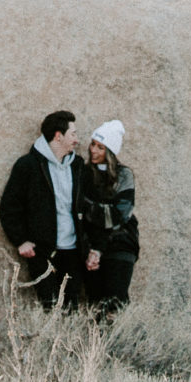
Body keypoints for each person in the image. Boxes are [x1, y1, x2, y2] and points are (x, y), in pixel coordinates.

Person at [0, 109, 88, 308]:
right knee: (50, 307)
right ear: (58, 136)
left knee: (72, 308)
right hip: (43, 253)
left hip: (73, 252)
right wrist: (20, 240)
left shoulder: (78, 166)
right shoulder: (28, 165)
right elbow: (9, 207)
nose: (77, 140)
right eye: (73, 134)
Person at [77, 119, 138, 313]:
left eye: (100, 147)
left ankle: (122, 343)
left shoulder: (124, 175)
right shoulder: (85, 174)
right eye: (93, 144)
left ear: (110, 152)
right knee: (95, 304)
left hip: (121, 244)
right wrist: (94, 249)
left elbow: (119, 215)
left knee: (115, 303)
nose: (93, 150)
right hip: (90, 245)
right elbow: (85, 216)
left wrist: (88, 207)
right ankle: (98, 344)